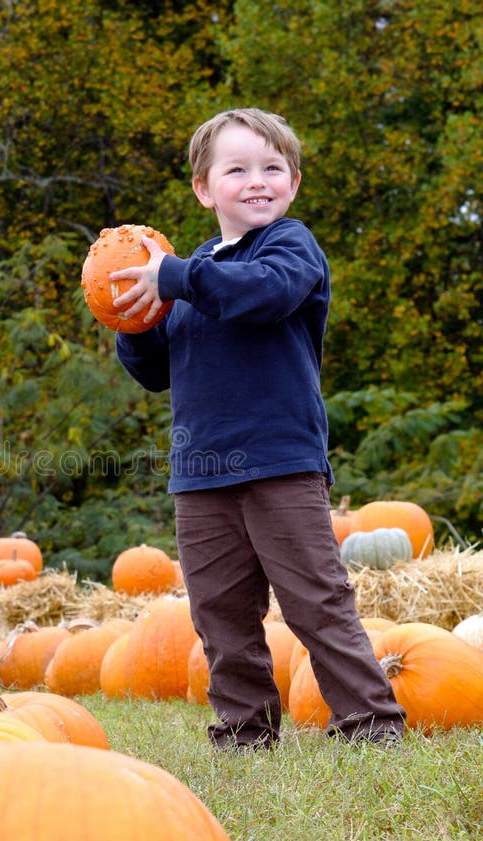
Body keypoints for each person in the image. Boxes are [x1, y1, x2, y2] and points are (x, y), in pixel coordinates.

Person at [111, 108, 406, 750]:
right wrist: (131, 321)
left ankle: (371, 723)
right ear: (203, 187)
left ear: (293, 183)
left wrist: (178, 278)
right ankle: (243, 731)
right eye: (237, 168)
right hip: (201, 473)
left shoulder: (289, 248)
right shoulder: (187, 277)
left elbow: (262, 293)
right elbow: (154, 369)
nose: (257, 181)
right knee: (219, 613)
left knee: (315, 602)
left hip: (280, 464)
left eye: (273, 168)